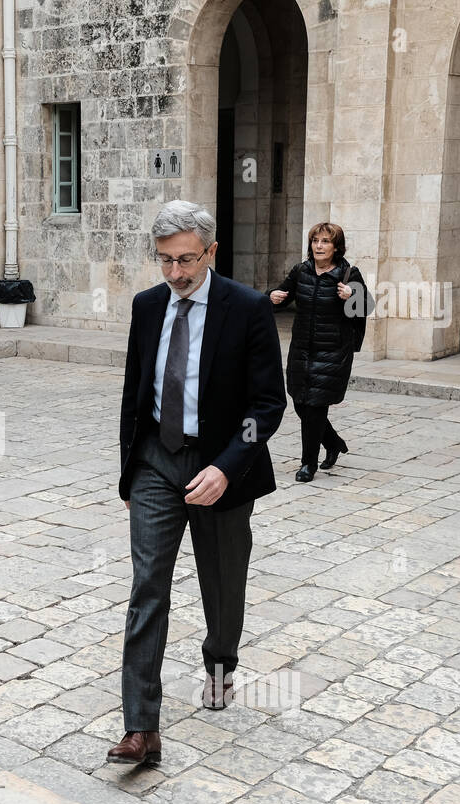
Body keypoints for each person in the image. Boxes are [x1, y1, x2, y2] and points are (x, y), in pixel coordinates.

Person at [109, 200, 286, 766]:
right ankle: (142, 727)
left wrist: (228, 465)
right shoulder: (146, 307)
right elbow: (135, 393)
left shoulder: (249, 309)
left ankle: (220, 665)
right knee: (147, 590)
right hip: (158, 467)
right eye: (164, 261)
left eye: (186, 259)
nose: (176, 273)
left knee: (223, 584)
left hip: (221, 472)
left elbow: (267, 405)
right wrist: (132, 471)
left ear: (211, 251)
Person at [269, 223, 370, 482]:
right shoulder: (301, 271)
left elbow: (366, 308)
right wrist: (270, 297)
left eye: (325, 241)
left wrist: (353, 295)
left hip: (333, 351)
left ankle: (307, 465)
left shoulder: (348, 274)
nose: (319, 246)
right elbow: (281, 296)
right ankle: (334, 442)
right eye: (315, 241)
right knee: (301, 403)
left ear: (336, 246)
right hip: (301, 349)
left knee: (315, 407)